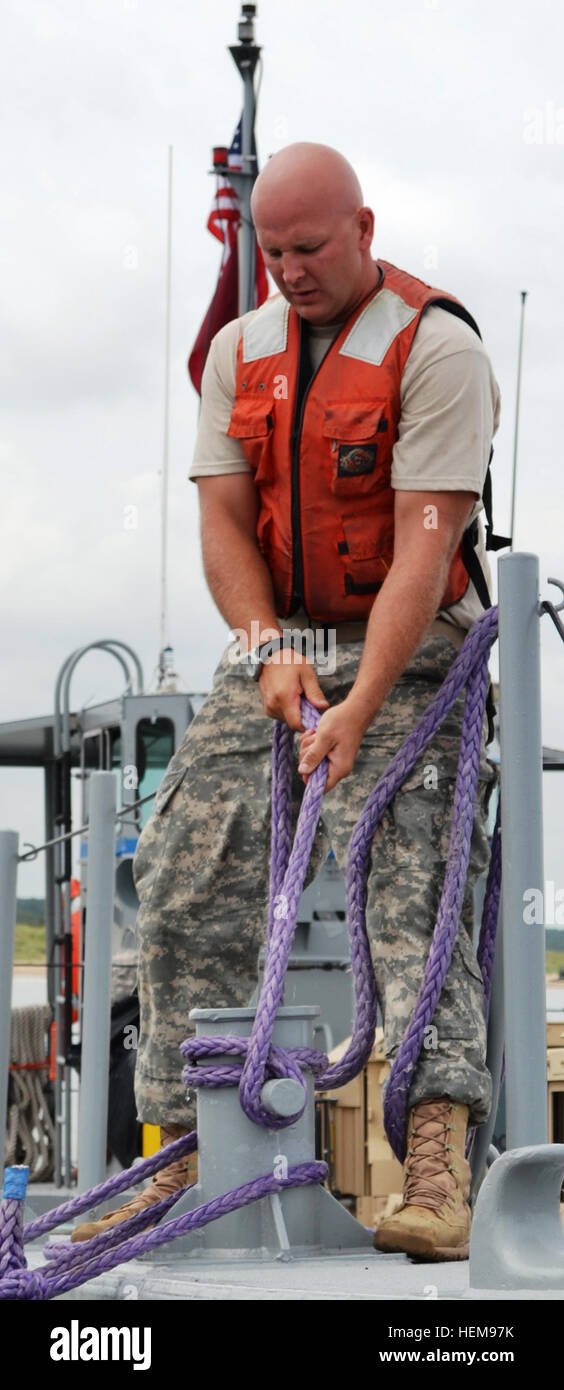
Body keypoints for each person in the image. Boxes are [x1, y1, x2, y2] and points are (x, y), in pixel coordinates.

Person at [72, 143, 500, 1261]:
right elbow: (223, 522)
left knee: (405, 857)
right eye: (271, 250)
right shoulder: (237, 350)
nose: (290, 271)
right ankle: (179, 1145)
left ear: (364, 227)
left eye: (309, 248)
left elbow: (424, 543)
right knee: (179, 862)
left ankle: (439, 1152)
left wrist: (355, 707)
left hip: (409, 641)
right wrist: (266, 649)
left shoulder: (435, 348)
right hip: (280, 637)